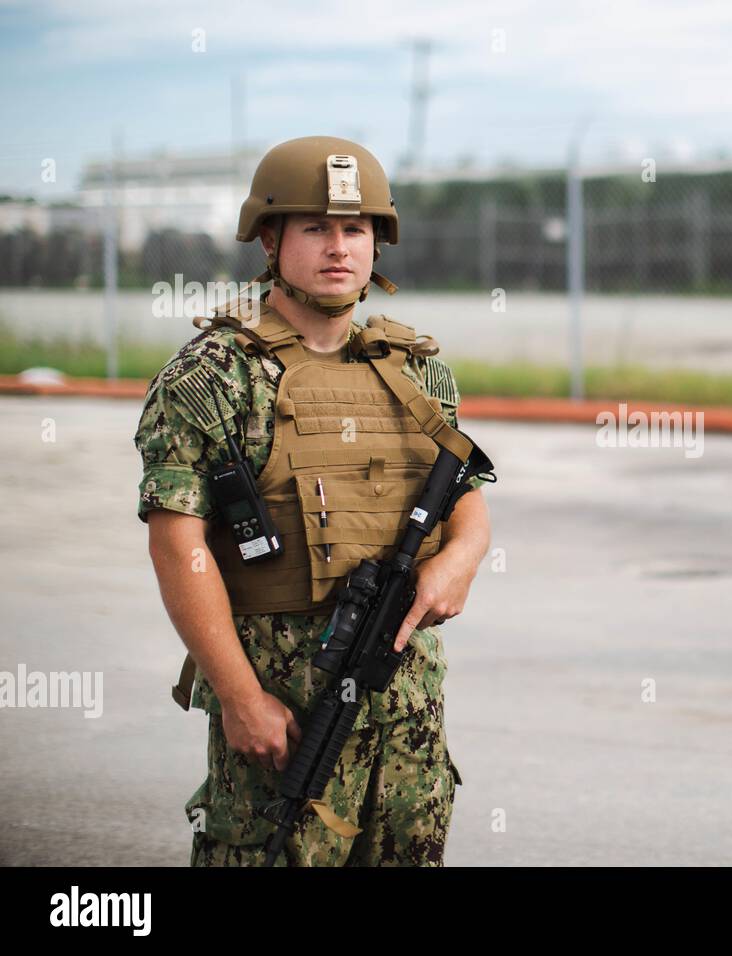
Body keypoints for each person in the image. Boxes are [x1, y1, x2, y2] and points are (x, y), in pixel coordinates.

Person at [135, 136, 492, 864]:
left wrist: (461, 559)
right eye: (316, 227)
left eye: (355, 228)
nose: (339, 247)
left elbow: (466, 499)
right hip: (286, 709)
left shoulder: (418, 371)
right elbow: (179, 544)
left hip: (405, 709)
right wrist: (238, 697)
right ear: (271, 239)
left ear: (377, 243)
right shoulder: (214, 377)